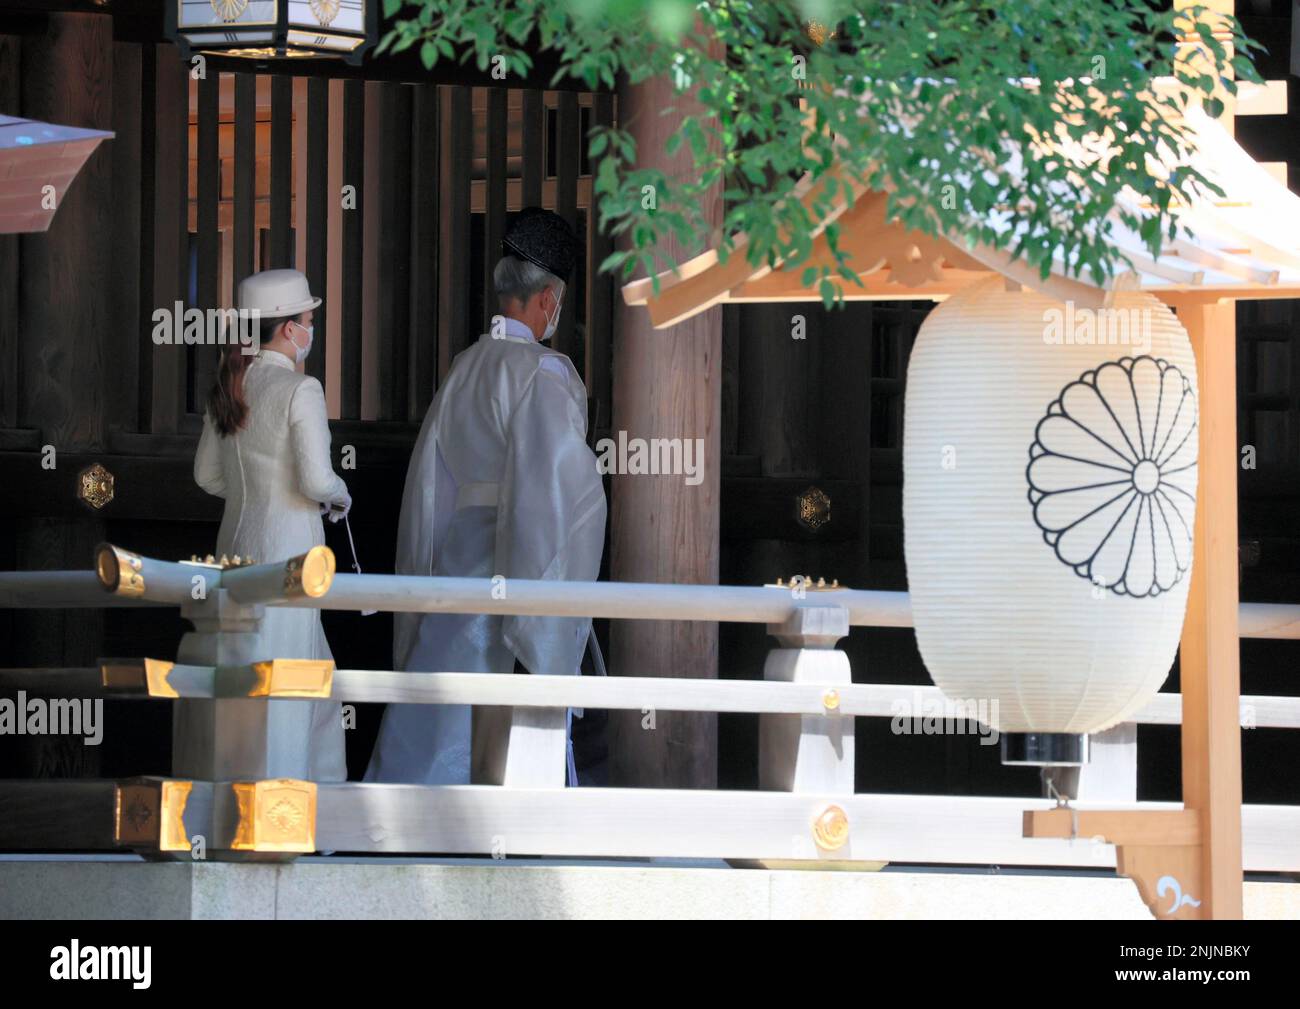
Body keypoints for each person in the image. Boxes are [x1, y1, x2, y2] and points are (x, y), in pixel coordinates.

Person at [365, 208, 606, 785]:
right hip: (510, 552)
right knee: (503, 692)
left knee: (443, 680)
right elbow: (554, 491)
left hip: (455, 556)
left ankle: (410, 814)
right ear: (548, 299)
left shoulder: (465, 366)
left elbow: (431, 480)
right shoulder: (545, 372)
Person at [192, 269, 351, 782]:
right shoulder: (301, 388)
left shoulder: (233, 381)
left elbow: (206, 476)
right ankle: (282, 814)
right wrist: (340, 496)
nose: (311, 330)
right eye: (308, 321)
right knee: (289, 687)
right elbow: (317, 479)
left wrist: (252, 496)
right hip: (289, 560)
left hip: (232, 552)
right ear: (287, 329)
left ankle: (320, 809)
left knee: (266, 680)